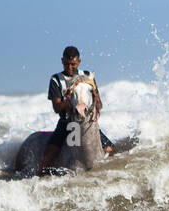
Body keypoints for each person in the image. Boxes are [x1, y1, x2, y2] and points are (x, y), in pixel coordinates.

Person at [38, 46, 114, 175]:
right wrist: (69, 102)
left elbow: (99, 105)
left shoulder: (87, 77)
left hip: (87, 123)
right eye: (66, 64)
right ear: (62, 61)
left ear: (79, 62)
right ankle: (39, 176)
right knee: (49, 156)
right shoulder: (56, 80)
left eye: (73, 64)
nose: (69, 67)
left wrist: (95, 96)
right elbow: (57, 108)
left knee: (110, 149)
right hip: (68, 123)